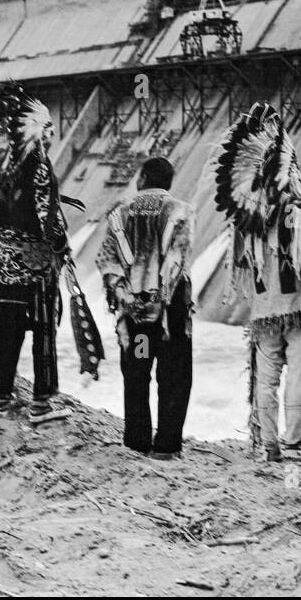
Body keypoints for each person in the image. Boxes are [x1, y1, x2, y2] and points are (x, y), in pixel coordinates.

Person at [213, 103, 301, 461]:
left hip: (264, 310)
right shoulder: (299, 211)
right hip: (299, 307)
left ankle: (268, 444)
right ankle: (295, 444)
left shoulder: (246, 216)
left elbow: (237, 265)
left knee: (265, 380)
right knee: (297, 375)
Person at [0, 94, 72, 425]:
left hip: (3, 260)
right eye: (48, 127)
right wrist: (61, 246)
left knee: (5, 325)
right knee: (44, 329)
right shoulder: (40, 163)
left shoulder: (1, 163)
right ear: (36, 130)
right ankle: (42, 403)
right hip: (35, 262)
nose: (52, 133)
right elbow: (47, 215)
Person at [96, 157, 194, 459]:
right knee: (173, 375)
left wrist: (127, 295)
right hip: (170, 316)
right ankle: (166, 446)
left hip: (136, 319)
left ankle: (137, 442)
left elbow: (106, 261)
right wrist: (161, 297)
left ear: (143, 178)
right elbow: (177, 259)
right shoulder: (180, 211)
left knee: (138, 372)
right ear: (168, 181)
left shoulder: (119, 213)